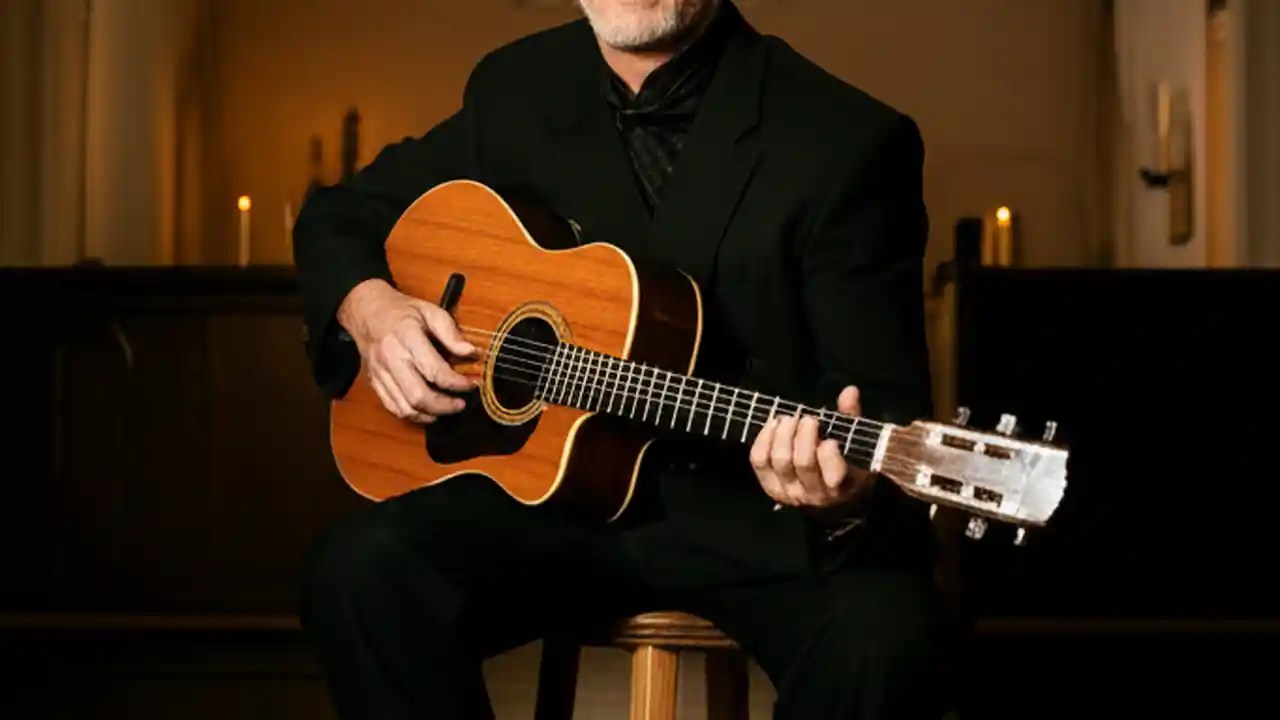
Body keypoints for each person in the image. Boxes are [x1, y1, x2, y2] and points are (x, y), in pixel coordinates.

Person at [292, 1, 950, 717]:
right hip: (555, 510)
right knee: (359, 570)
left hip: (754, 525)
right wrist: (372, 310)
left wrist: (840, 495)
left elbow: (881, 409)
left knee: (886, 635)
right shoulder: (519, 85)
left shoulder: (846, 140)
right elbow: (339, 217)